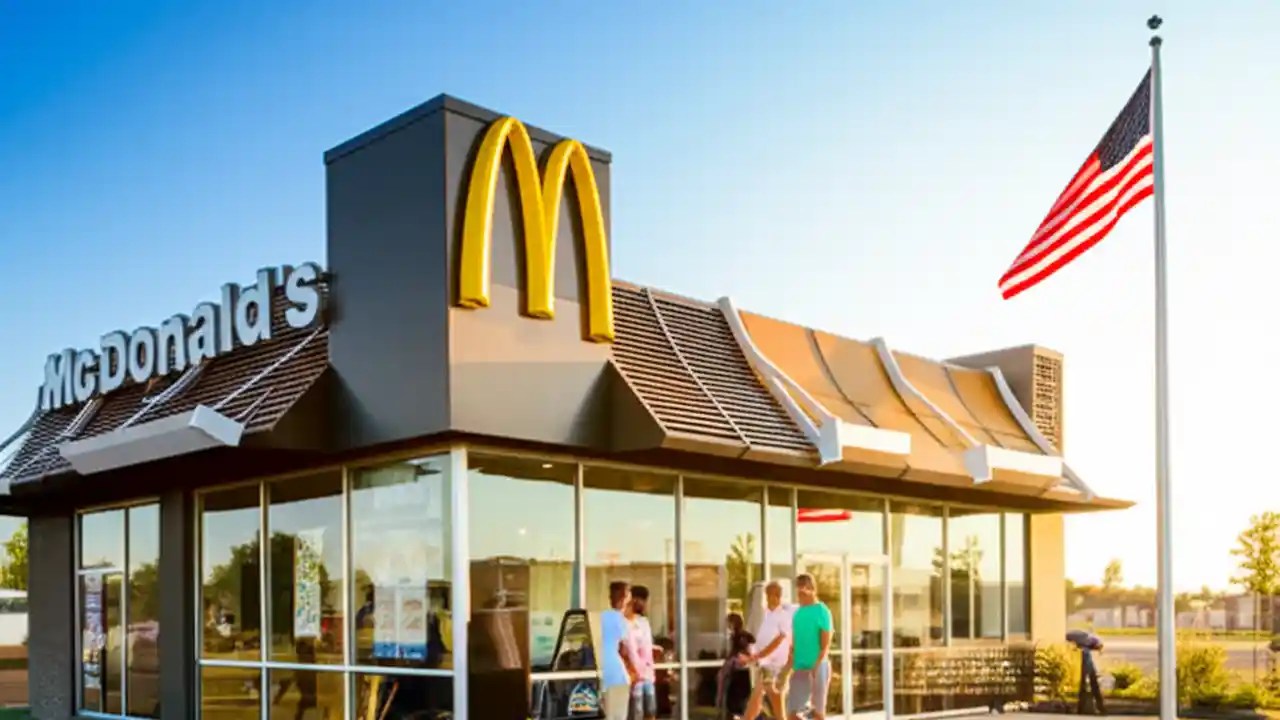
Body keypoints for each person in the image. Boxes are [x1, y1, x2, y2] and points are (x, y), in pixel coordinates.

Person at [783, 573, 833, 720]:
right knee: (793, 714)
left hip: (817, 668)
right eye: (798, 590)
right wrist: (787, 668)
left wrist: (816, 668)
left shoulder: (822, 611)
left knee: (817, 713)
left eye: (802, 590)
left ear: (811, 589)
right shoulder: (798, 612)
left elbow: (825, 646)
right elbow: (795, 643)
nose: (799, 594)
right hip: (800, 668)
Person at [744, 581, 793, 720]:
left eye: (771, 594)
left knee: (776, 704)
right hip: (766, 664)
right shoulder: (767, 615)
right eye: (767, 594)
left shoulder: (783, 616)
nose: (768, 597)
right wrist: (754, 651)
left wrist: (759, 655)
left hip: (776, 667)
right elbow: (763, 638)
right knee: (756, 700)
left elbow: (778, 640)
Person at [601, 581, 637, 720]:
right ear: (625, 597)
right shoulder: (622, 621)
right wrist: (634, 671)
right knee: (619, 715)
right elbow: (626, 650)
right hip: (617, 674)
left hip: (603, 674)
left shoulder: (602, 617)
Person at [627, 585, 658, 720]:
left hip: (647, 674)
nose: (644, 604)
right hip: (636, 675)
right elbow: (631, 649)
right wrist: (637, 671)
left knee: (651, 709)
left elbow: (646, 647)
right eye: (642, 600)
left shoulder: (644, 622)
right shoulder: (628, 622)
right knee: (637, 711)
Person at [716, 613, 755, 719]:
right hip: (743, 672)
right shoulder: (745, 636)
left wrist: (731, 660)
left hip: (739, 672)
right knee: (739, 701)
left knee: (735, 701)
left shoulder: (739, 637)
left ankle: (719, 703)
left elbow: (742, 652)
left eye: (729, 623)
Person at [1067, 630, 1106, 715]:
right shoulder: (1088, 642)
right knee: (1091, 686)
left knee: (1085, 687)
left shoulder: (1086, 645)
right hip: (1086, 666)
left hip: (1086, 666)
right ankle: (1100, 708)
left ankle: (1082, 709)